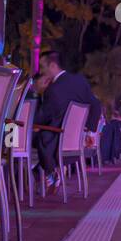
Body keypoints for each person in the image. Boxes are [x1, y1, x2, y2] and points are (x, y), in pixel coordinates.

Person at [33, 50, 101, 185]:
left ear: (52, 66)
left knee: (13, 130)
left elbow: (38, 120)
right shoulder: (80, 81)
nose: (41, 72)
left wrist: (36, 93)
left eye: (42, 67)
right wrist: (90, 132)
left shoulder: (53, 90)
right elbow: (96, 105)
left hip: (55, 143)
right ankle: (43, 171)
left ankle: (11, 170)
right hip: (75, 143)